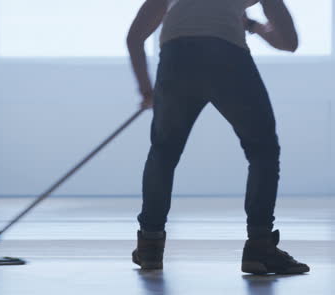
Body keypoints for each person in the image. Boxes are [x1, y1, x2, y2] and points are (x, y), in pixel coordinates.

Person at [126, 0, 310, 275]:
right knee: (263, 151)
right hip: (226, 55)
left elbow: (134, 38)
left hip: (177, 55)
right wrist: (252, 25)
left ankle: (150, 247)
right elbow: (289, 42)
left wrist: (146, 90)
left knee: (163, 153)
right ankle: (260, 248)